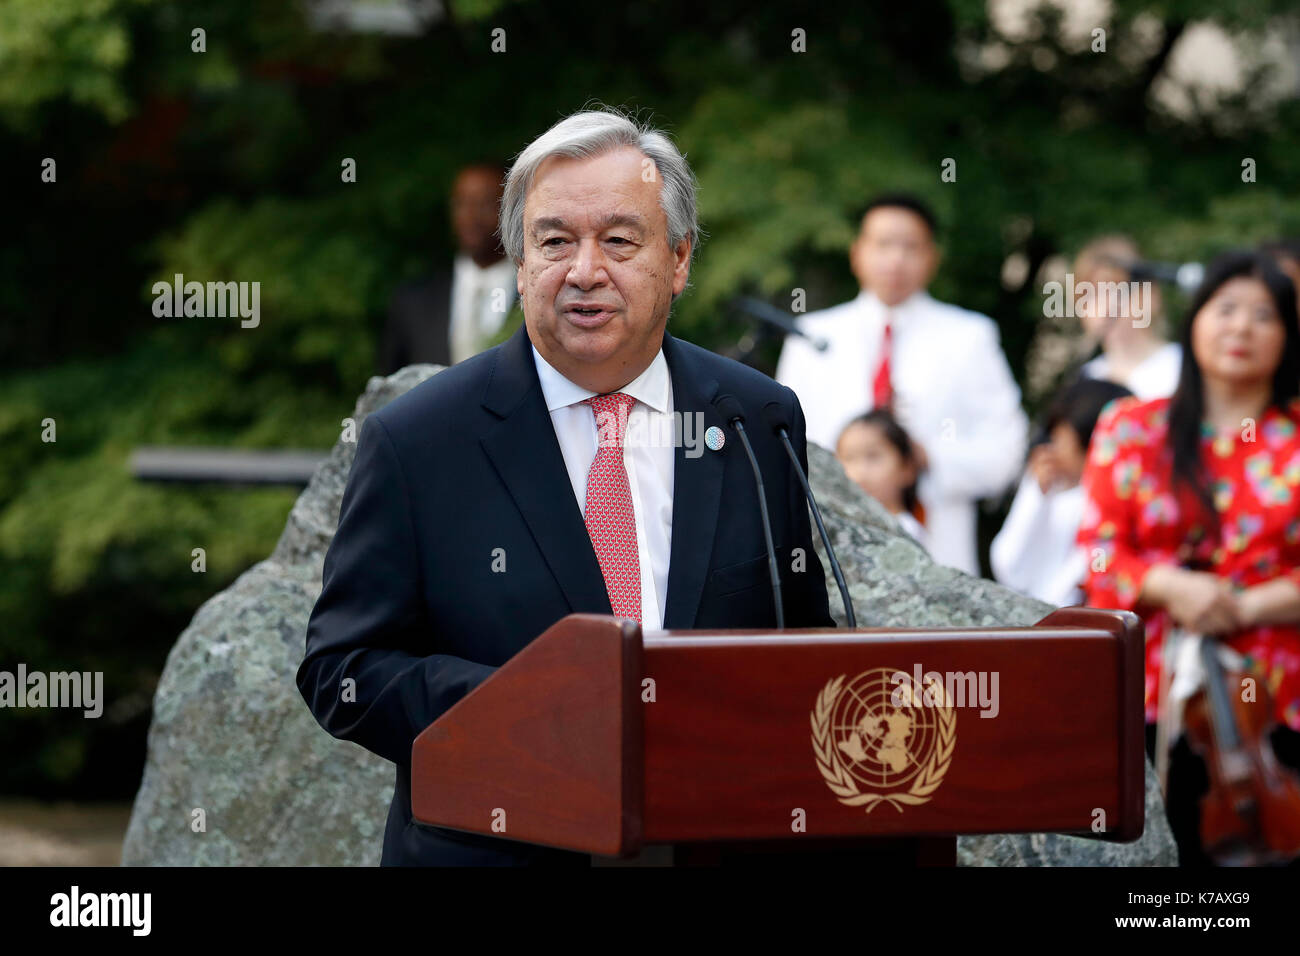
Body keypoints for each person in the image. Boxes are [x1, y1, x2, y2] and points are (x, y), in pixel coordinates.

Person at [298, 108, 835, 867]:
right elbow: (341, 670)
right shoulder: (422, 439)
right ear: (520, 265)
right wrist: (528, 707)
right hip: (503, 843)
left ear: (678, 260)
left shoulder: (754, 418)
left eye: (619, 240)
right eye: (555, 241)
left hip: (717, 838)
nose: (586, 270)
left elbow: (798, 643)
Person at [1077, 250, 1300, 865]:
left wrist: (1245, 603)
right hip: (1156, 696)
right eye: (1225, 309)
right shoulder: (1130, 427)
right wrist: (1171, 586)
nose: (1241, 328)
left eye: (1263, 315)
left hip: (1280, 701)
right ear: (1196, 321)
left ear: (1287, 336)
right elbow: (1097, 558)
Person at [775, 193, 1027, 576]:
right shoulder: (810, 337)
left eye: (910, 247)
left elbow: (1006, 451)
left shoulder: (970, 337)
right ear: (857, 253)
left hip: (938, 551)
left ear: (932, 258)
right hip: (827, 551)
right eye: (883, 245)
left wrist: (925, 460)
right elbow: (783, 451)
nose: (896, 259)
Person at [991, 378, 1132, 606]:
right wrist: (1035, 497)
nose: (1053, 448)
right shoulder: (1048, 490)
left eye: (1060, 437)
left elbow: (1096, 573)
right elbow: (1010, 568)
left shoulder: (1118, 501)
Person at [378, 162, 518, 374]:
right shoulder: (412, 299)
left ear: (512, 211)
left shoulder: (539, 294)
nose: (471, 216)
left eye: (485, 203)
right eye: (461, 203)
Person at [1072, 235, 1182, 400]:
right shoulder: (1086, 378)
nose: (1105, 306)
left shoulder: (1183, 367)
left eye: (1115, 290)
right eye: (1091, 295)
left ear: (1149, 296)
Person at [835, 409, 929, 550]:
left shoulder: (907, 534)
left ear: (907, 468)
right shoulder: (840, 531)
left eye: (873, 456)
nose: (860, 472)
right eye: (849, 457)